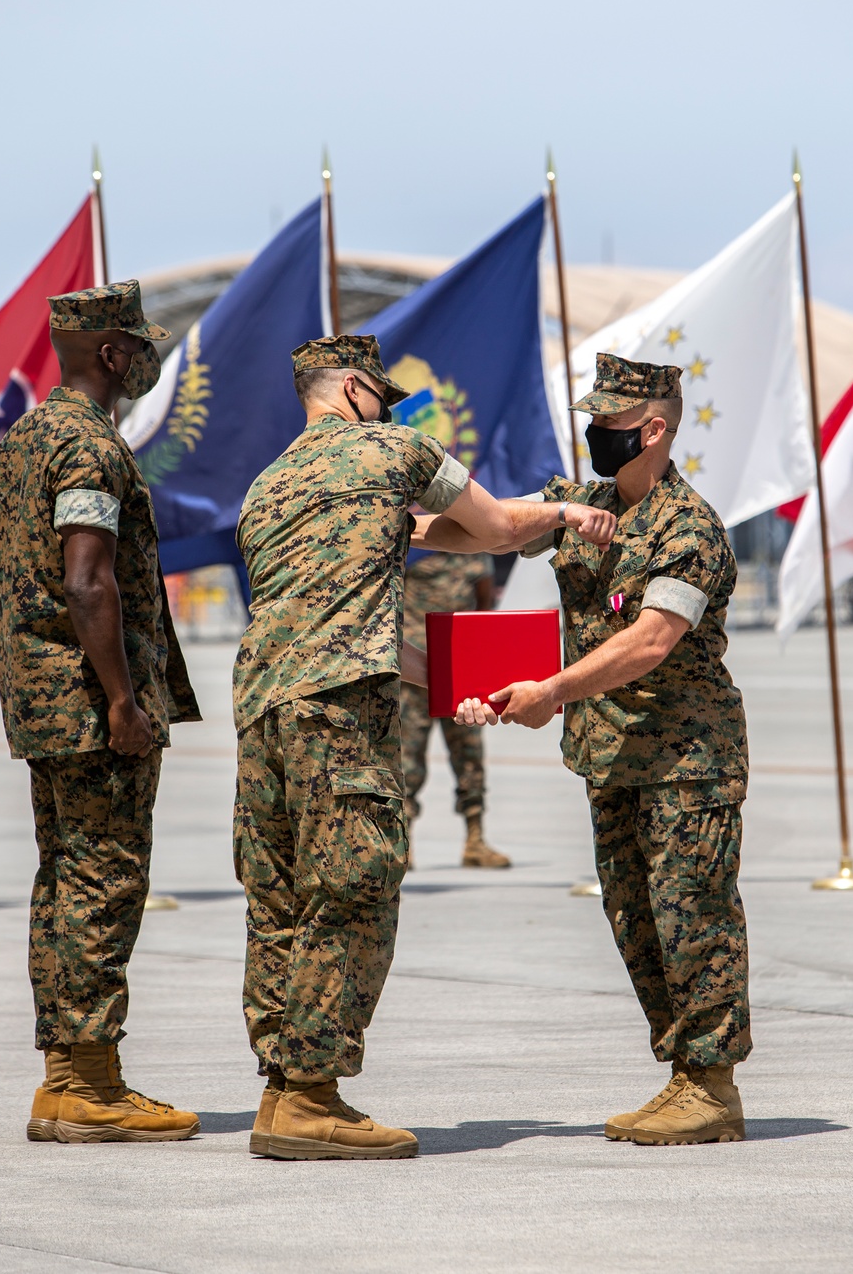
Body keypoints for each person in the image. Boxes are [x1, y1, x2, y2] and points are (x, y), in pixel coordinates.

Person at [233, 334, 616, 1161]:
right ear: (358, 389)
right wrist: (563, 513)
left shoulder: (268, 488)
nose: (392, 409)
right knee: (356, 887)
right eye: (385, 395)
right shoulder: (394, 450)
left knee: (283, 900)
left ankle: (279, 1090)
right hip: (337, 718)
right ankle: (311, 1095)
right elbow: (497, 527)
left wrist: (449, 685)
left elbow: (343, 628)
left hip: (264, 709)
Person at [456, 354, 752, 1146]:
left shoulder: (690, 529)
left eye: (610, 423)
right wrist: (401, 526)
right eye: (590, 420)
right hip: (610, 756)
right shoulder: (579, 504)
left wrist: (549, 690)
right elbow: (487, 528)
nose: (593, 434)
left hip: (686, 761)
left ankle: (712, 1083)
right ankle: (683, 1073)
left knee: (694, 918)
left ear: (652, 430)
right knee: (636, 921)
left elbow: (651, 641)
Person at [0, 280, 202, 1145]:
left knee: (63, 881)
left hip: (41, 701)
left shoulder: (22, 442)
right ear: (111, 353)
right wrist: (120, 699)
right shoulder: (88, 449)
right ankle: (92, 1083)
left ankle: (66, 1077)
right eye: (140, 345)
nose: (149, 359)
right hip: (88, 703)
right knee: (104, 881)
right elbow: (87, 579)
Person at [401, 550, 511, 868]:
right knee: (407, 756)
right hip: (415, 666)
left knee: (470, 754)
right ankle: (403, 842)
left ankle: (475, 839)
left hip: (462, 666)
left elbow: (485, 602)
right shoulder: (412, 542)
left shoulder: (474, 545)